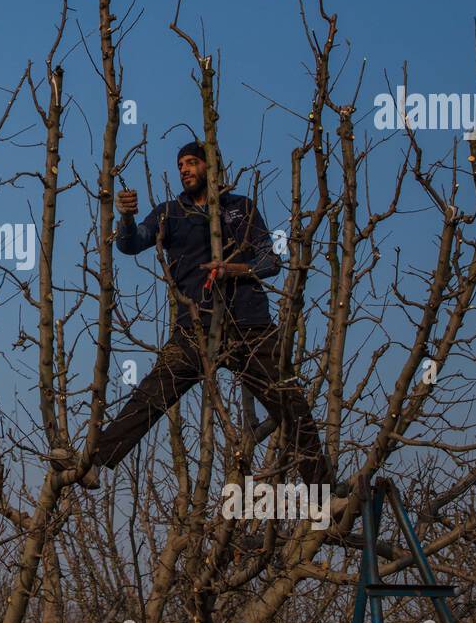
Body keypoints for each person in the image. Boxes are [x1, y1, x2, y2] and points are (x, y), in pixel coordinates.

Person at [56, 140, 333, 490]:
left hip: (249, 324)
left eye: (192, 162)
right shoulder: (170, 213)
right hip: (196, 329)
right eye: (180, 164)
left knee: (290, 404)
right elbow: (131, 243)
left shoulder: (241, 208)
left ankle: (325, 493)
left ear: (210, 167)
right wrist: (125, 217)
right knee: (150, 396)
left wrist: (233, 269)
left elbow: (270, 261)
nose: (184, 169)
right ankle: (95, 462)